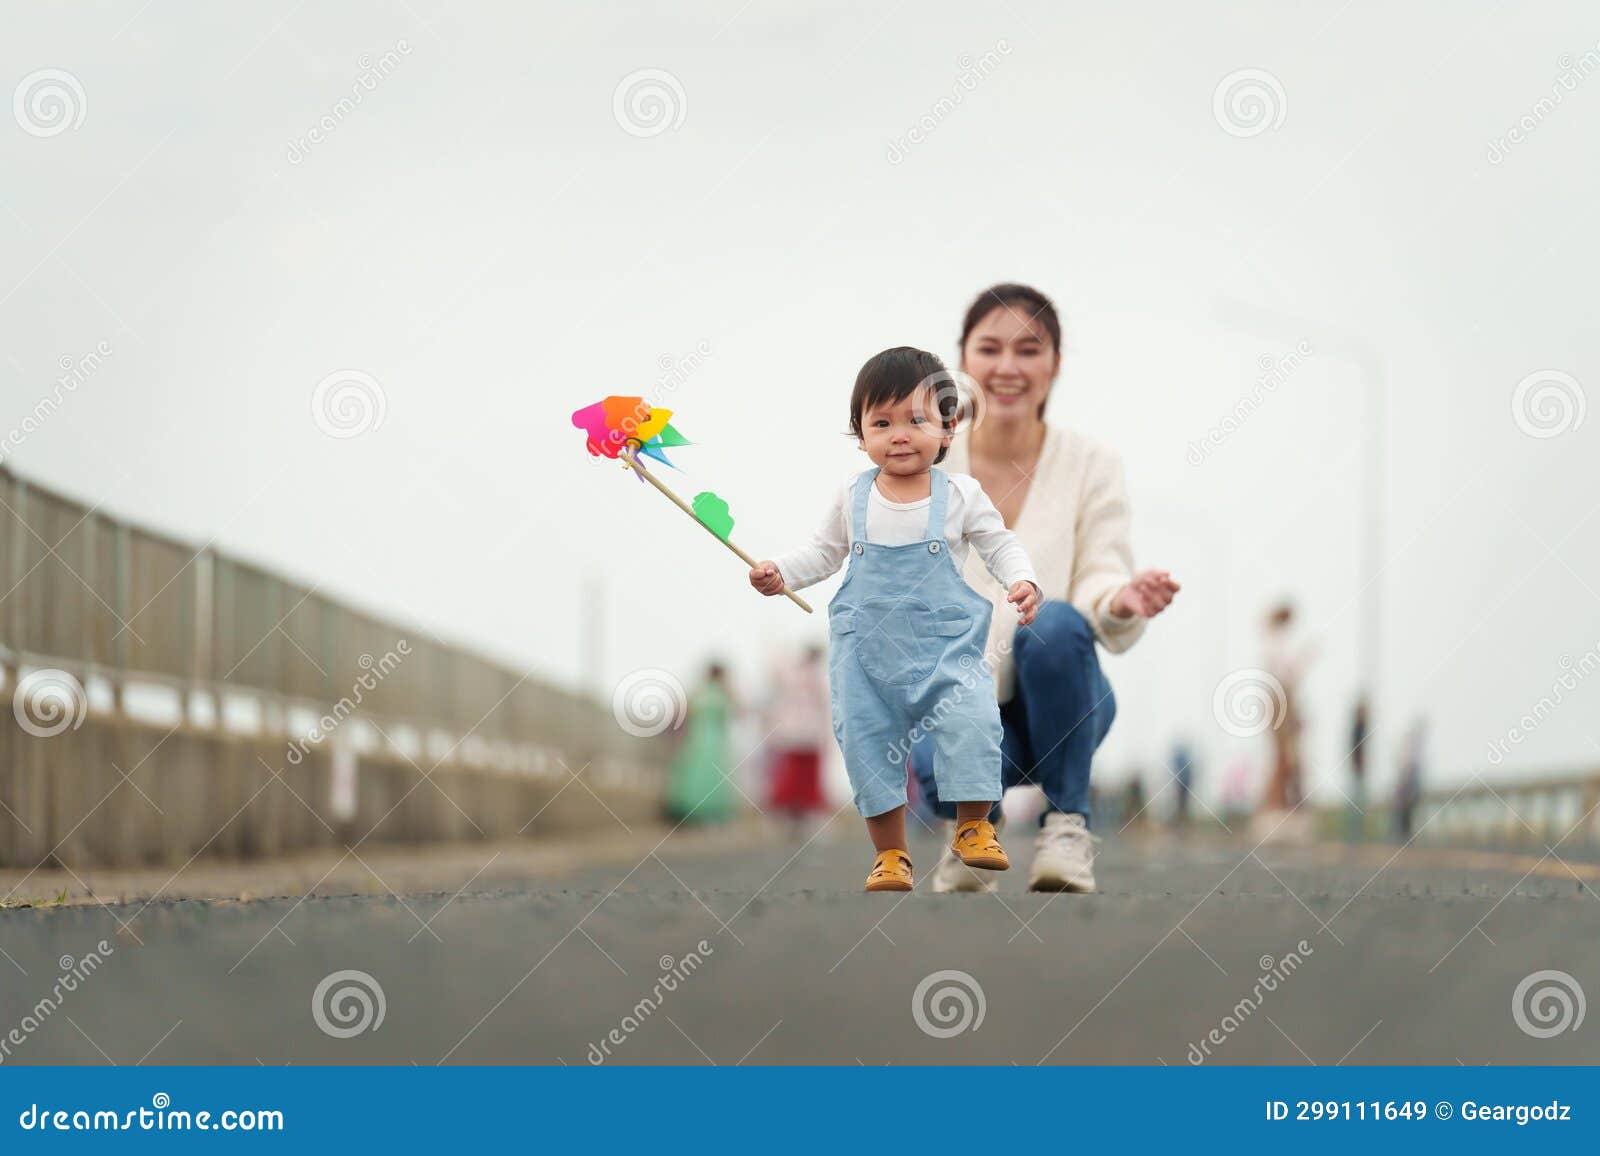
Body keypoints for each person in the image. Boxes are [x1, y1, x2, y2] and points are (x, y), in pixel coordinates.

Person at [911, 284, 1179, 893]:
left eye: (1029, 350)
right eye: (990, 349)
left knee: (1053, 622)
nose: (1008, 367)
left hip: (1062, 695)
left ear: (1054, 364)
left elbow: (1100, 573)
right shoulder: (923, 463)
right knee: (932, 752)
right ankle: (975, 827)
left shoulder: (1092, 463)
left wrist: (1118, 600)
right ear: (964, 360)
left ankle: (1068, 826)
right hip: (961, 709)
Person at [749, 346, 1042, 892]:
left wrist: (1021, 580)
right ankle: (891, 853)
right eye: (882, 422)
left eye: (916, 419)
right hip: (866, 659)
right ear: (860, 435)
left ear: (949, 428)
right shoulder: (852, 497)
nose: (899, 434)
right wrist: (779, 574)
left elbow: (999, 544)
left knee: (974, 723)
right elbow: (822, 552)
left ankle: (975, 825)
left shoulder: (961, 495)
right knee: (864, 742)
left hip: (945, 651)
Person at [763, 644, 831, 833]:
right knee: (794, 776)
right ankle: (790, 814)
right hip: (798, 734)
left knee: (804, 777)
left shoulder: (801, 675)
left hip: (805, 734)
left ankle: (803, 815)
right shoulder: (802, 676)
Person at [662, 662, 737, 826]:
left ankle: (693, 810)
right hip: (714, 741)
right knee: (711, 774)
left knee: (697, 771)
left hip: (698, 738)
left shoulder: (699, 693)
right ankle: (708, 811)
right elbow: (736, 710)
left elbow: (683, 713)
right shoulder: (722, 694)